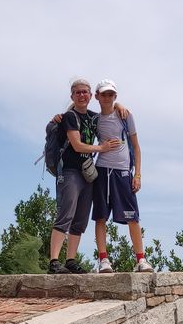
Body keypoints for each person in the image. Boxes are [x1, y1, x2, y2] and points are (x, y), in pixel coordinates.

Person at [48, 78, 120, 274]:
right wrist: (101, 147)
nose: (81, 95)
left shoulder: (92, 117)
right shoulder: (70, 116)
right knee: (65, 215)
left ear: (91, 96)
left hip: (87, 174)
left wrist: (119, 105)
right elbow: (77, 145)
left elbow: (109, 113)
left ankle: (70, 259)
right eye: (77, 92)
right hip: (70, 171)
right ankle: (54, 262)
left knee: (80, 219)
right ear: (72, 96)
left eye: (85, 92)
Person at [92, 79, 153, 273]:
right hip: (101, 170)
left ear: (115, 96)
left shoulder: (125, 115)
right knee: (100, 216)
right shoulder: (94, 119)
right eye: (104, 94)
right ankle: (103, 260)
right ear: (97, 96)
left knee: (132, 217)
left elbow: (136, 146)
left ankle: (141, 259)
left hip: (123, 172)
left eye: (111, 94)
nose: (108, 97)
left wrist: (138, 174)